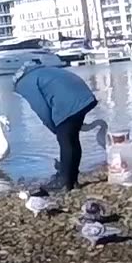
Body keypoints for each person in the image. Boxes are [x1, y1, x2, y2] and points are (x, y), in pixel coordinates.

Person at [12, 59, 98, 191]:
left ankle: (64, 182)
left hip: (70, 102)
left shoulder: (24, 83)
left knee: (66, 141)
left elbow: (41, 108)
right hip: (84, 96)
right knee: (72, 140)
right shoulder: (41, 71)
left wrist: (53, 127)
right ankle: (72, 179)